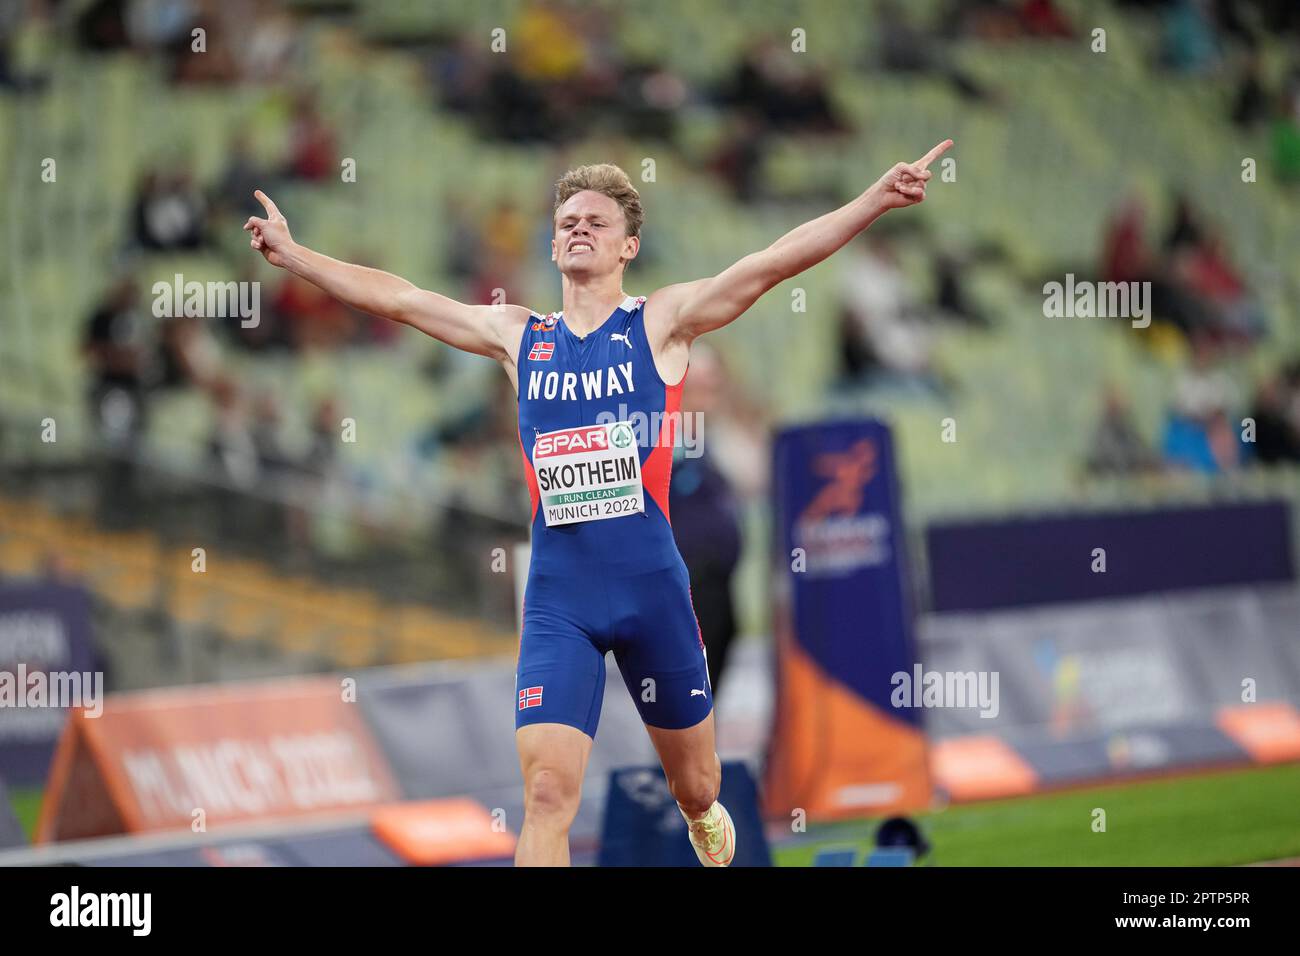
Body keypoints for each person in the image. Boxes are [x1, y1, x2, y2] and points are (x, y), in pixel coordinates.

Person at [243, 139, 951, 867]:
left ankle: (699, 810)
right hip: (561, 600)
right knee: (548, 795)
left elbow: (771, 264)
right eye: (568, 220)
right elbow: (400, 298)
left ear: (628, 247)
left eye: (597, 222)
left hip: (653, 592)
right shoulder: (518, 337)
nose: (578, 228)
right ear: (553, 244)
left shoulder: (662, 323)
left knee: (700, 782)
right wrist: (297, 257)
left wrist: (873, 202)